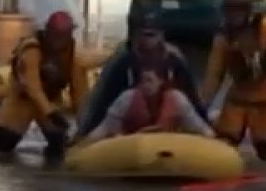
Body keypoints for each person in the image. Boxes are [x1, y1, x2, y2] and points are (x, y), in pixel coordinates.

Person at [74, 11, 206, 140]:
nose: (148, 40)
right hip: (130, 124)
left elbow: (192, 97)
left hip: (167, 126)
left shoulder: (175, 60)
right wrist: (85, 132)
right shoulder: (123, 61)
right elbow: (102, 98)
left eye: (152, 35)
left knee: (181, 102)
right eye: (144, 35)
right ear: (136, 36)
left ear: (162, 35)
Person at [200, 0, 266, 162]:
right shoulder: (224, 38)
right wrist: (203, 104)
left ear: (248, 11)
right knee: (225, 141)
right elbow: (214, 74)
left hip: (265, 98)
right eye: (229, 11)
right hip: (238, 97)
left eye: (237, 10)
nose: (232, 16)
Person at [0, 10, 88, 163]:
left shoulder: (72, 58)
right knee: (1, 149)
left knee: (59, 144)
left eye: (64, 35)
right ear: (48, 33)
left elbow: (79, 94)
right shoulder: (31, 50)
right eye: (56, 35)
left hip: (50, 100)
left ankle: (52, 172)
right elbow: (32, 87)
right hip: (21, 102)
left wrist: (84, 125)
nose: (60, 40)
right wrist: (50, 113)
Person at [79, 62, 215, 143]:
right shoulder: (127, 98)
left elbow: (200, 128)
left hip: (170, 147)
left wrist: (215, 141)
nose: (145, 86)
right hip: (129, 146)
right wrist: (83, 144)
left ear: (161, 81)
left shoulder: (177, 99)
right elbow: (104, 128)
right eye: (142, 81)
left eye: (149, 81)